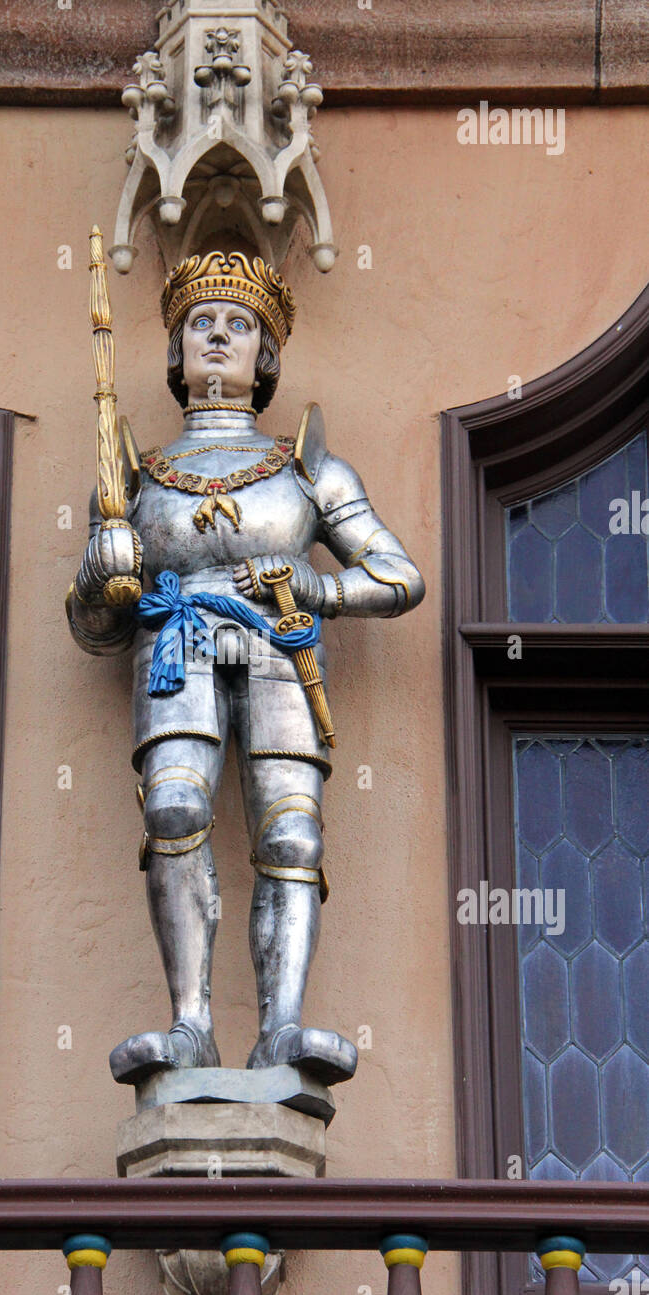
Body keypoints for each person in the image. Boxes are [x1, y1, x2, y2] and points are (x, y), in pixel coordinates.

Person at [68, 250, 424, 1086]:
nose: (219, 337)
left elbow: (398, 576)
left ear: (266, 354)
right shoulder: (132, 480)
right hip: (174, 648)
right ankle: (191, 1022)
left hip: (278, 652)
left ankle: (284, 1027)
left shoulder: (308, 472)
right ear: (176, 352)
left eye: (239, 325)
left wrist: (317, 586)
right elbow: (96, 628)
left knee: (293, 832)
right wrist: (102, 572)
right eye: (202, 324)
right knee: (175, 810)